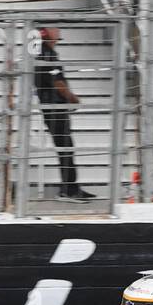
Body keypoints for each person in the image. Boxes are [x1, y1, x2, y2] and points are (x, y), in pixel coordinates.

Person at [34, 26, 96, 202]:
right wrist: (73, 99)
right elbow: (58, 83)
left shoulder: (47, 53)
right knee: (65, 148)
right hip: (54, 109)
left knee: (66, 148)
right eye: (55, 28)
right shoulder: (47, 55)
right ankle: (68, 191)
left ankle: (71, 188)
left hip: (55, 108)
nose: (59, 31)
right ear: (46, 33)